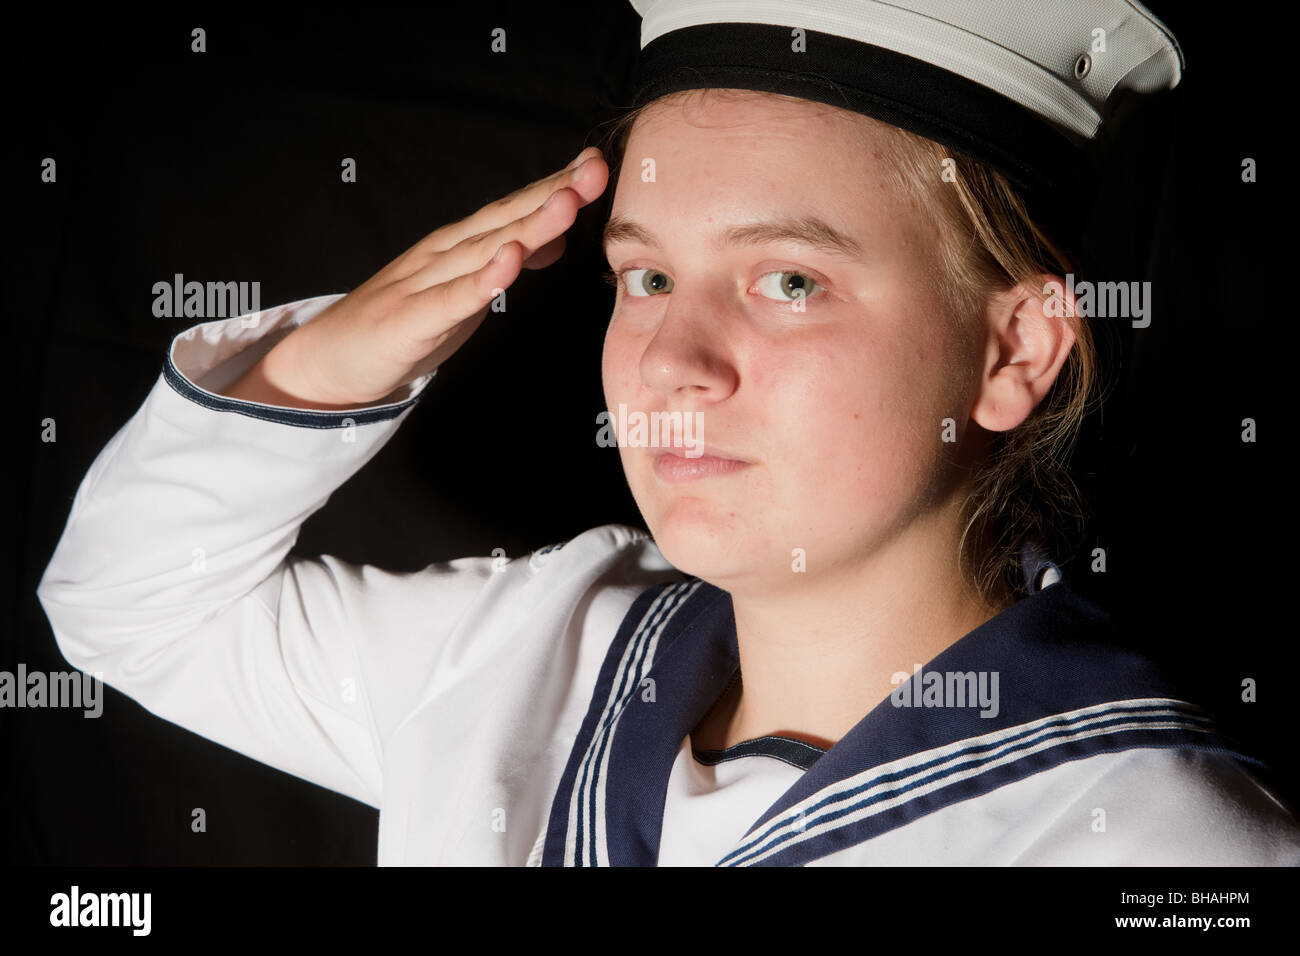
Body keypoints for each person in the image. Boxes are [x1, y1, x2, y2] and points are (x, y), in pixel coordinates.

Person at [36, 0, 1300, 865]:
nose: (672, 364)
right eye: (644, 278)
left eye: (787, 280)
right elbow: (127, 605)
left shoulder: (1163, 846)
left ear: (1013, 349)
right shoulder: (520, 645)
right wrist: (323, 365)